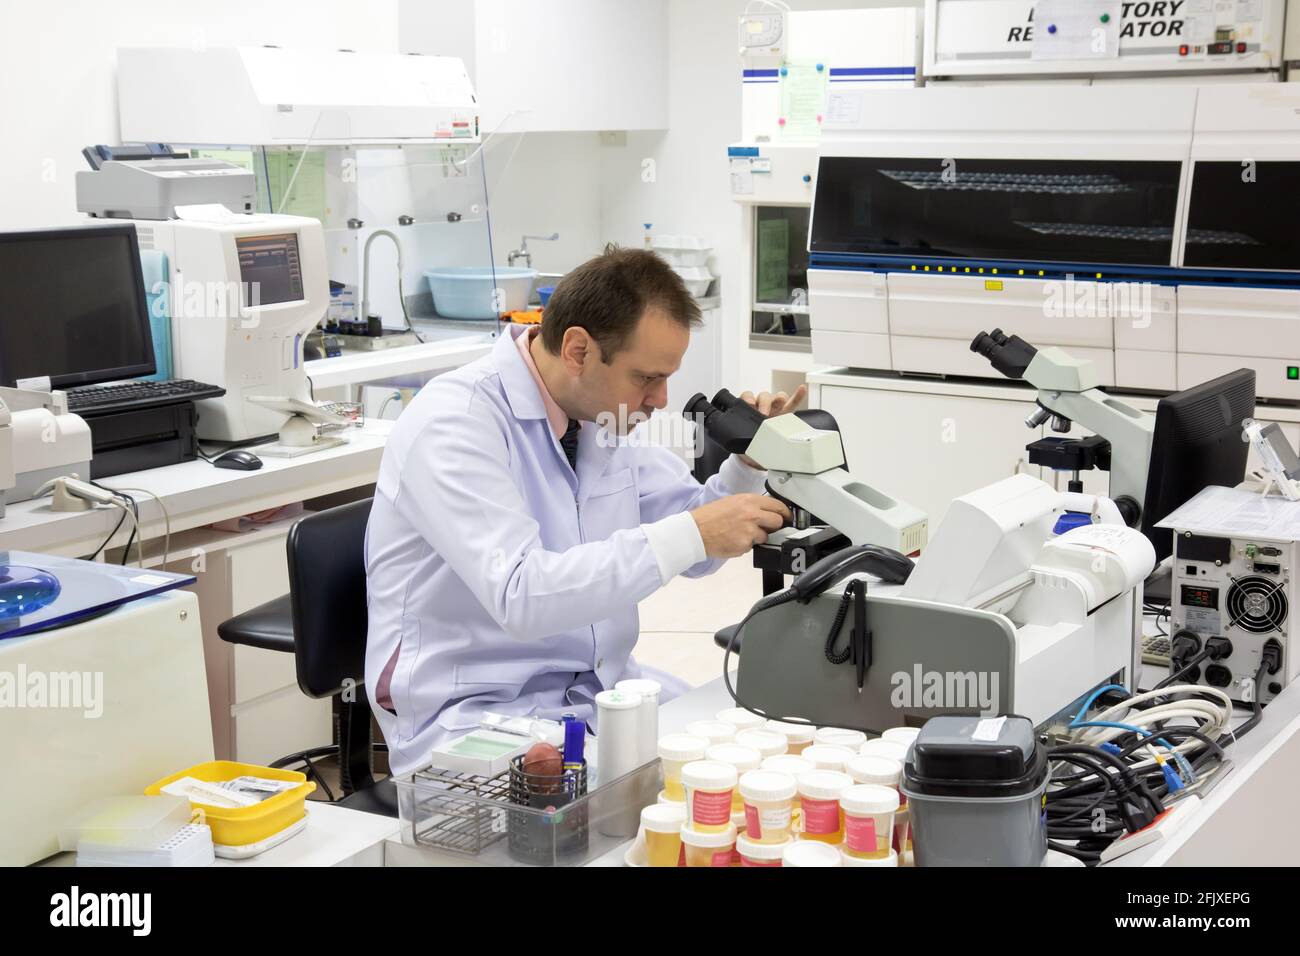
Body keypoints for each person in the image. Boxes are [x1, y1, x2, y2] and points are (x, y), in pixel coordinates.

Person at [365, 246, 805, 775]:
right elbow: (522, 594)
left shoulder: (598, 418)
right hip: (478, 714)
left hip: (599, 695)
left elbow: (698, 545)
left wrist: (747, 465)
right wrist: (694, 532)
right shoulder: (455, 424)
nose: (661, 399)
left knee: (759, 753)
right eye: (646, 378)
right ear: (577, 350)